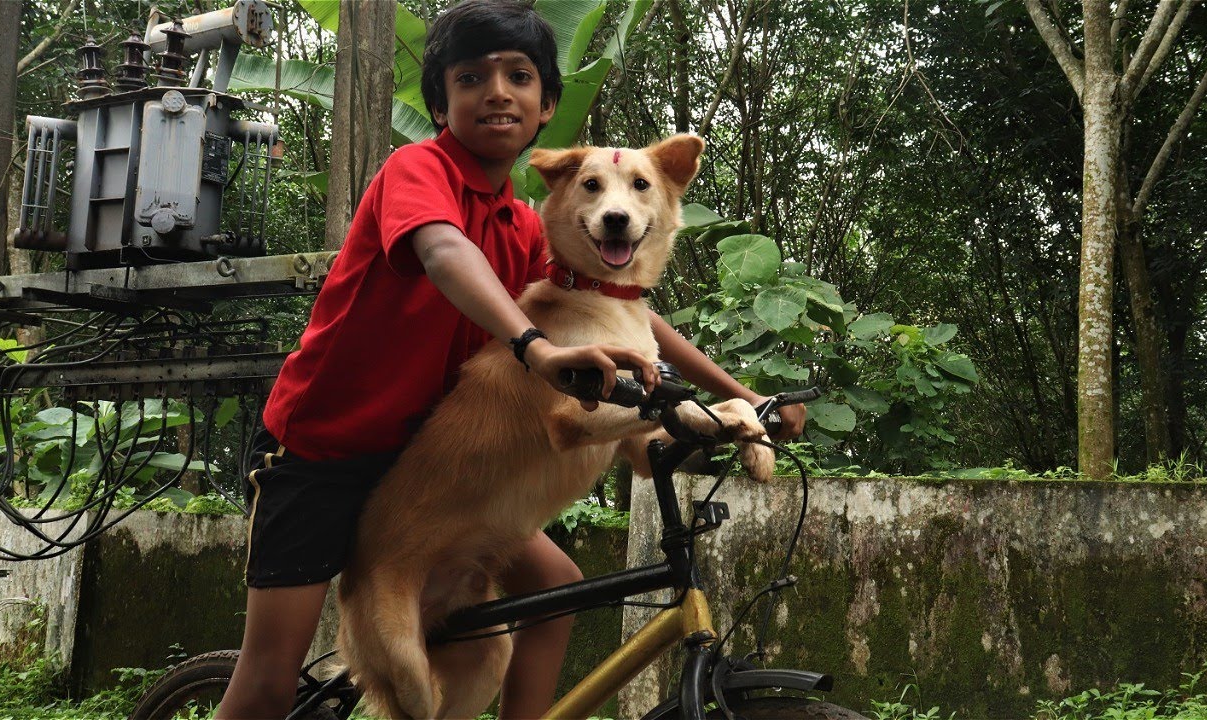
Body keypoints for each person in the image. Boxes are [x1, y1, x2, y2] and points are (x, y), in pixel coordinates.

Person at [214, 1, 806, 718]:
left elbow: (624, 304)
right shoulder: (418, 169)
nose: (496, 91)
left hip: (423, 454)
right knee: (273, 675)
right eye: (471, 77)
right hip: (321, 449)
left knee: (554, 594)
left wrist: (748, 394)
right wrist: (537, 347)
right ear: (440, 102)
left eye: (518, 76)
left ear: (546, 104)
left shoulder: (524, 223)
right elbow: (442, 251)